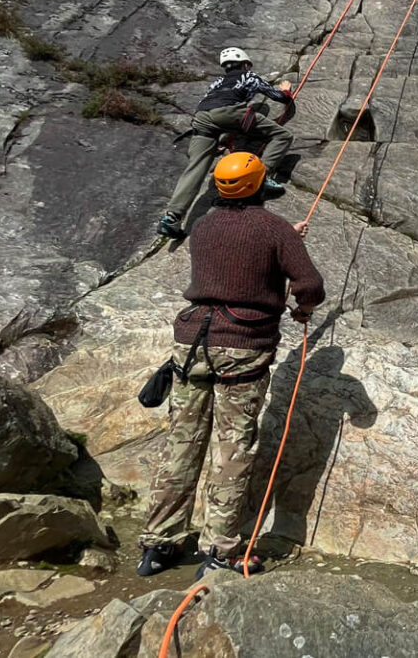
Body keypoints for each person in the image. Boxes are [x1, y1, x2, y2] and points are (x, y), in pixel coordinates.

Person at [137, 151, 325, 580]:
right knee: (233, 447)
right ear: (260, 184)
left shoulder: (204, 224)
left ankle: (157, 544)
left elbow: (234, 256)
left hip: (191, 345)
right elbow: (309, 285)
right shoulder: (273, 229)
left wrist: (283, 241)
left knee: (181, 442)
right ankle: (220, 550)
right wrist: (302, 307)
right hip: (242, 345)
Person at [158, 47, 296, 239]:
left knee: (195, 167)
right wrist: (286, 91)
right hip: (229, 113)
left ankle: (172, 216)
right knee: (283, 136)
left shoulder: (216, 83)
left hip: (201, 118)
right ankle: (263, 176)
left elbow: (214, 112)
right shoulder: (249, 76)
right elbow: (279, 97)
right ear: (245, 64)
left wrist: (222, 138)